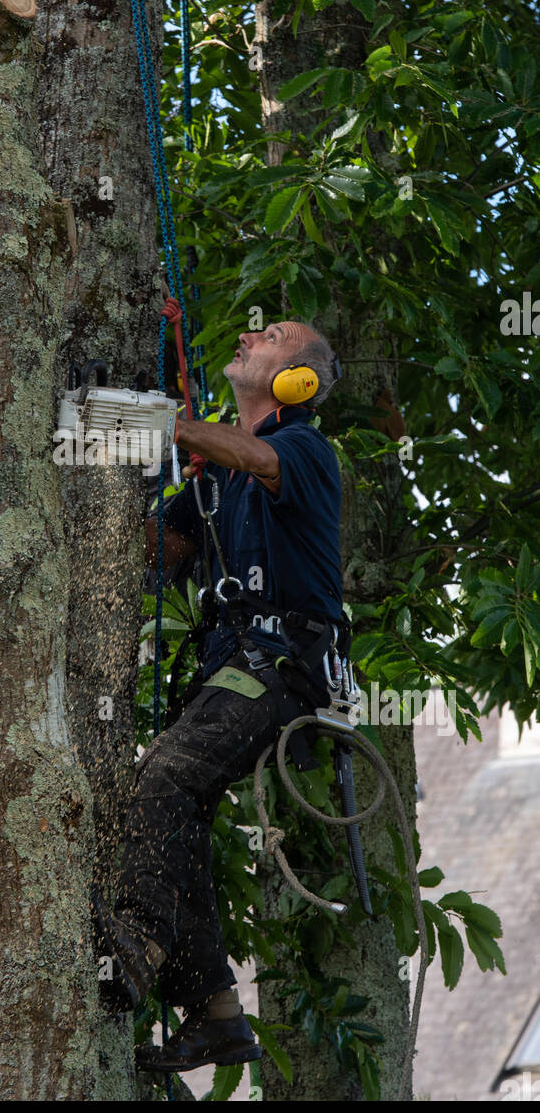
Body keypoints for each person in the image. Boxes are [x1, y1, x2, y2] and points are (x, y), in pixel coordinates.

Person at [92, 318, 346, 1072]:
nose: (244, 334)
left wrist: (161, 427)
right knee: (180, 812)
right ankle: (215, 1011)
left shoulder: (300, 451)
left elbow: (253, 455)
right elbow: (149, 563)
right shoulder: (212, 481)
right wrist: (130, 479)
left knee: (166, 773)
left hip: (281, 666)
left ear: (295, 378)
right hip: (230, 667)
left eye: (268, 336)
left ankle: (139, 937)